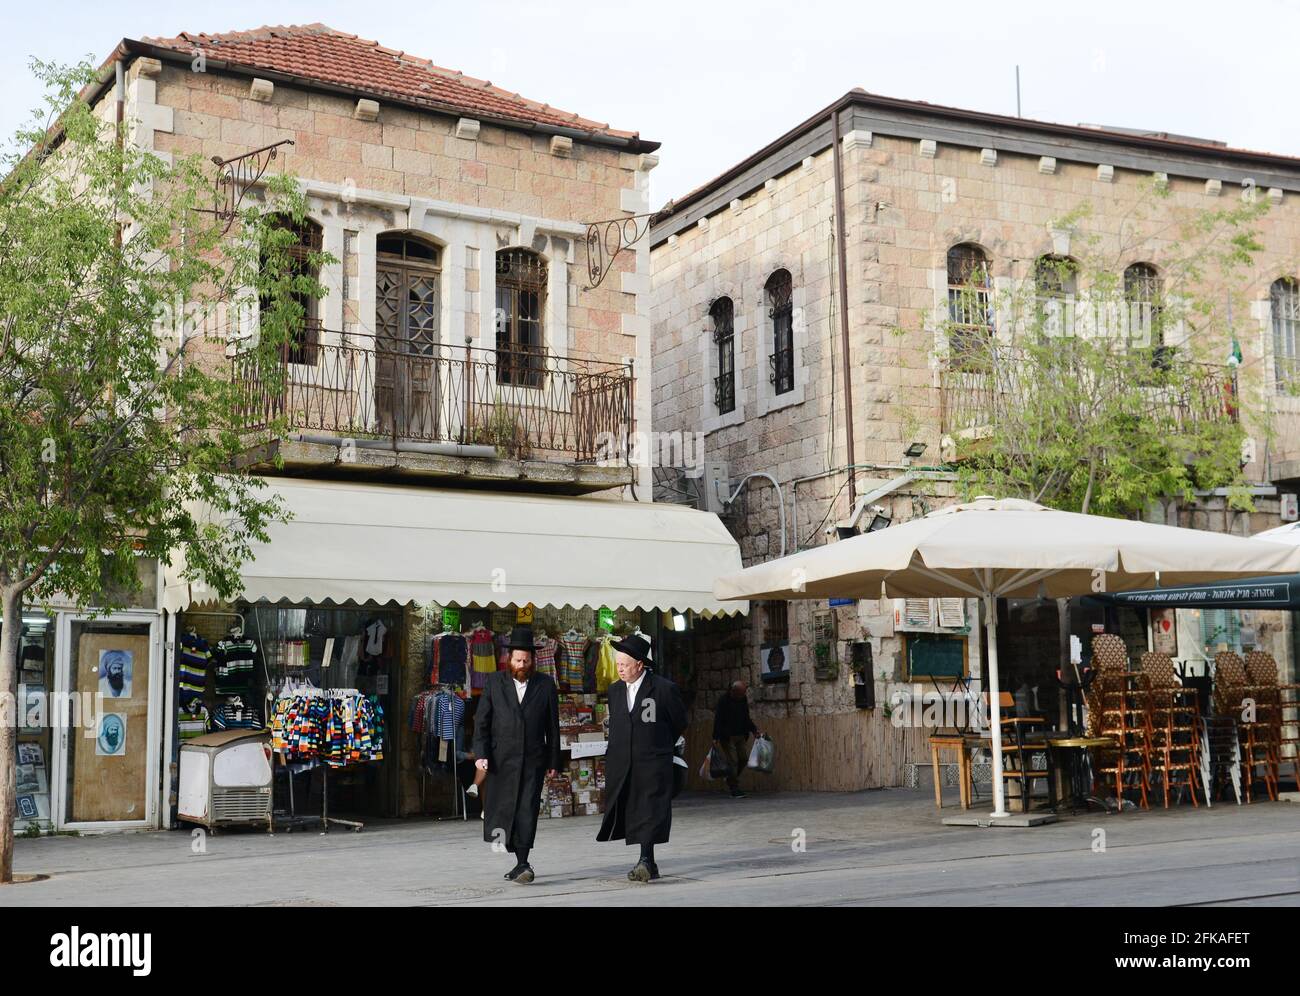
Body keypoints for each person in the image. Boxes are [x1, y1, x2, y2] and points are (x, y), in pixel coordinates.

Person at [473, 625, 560, 884]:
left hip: (533, 760)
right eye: (517, 660)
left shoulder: (545, 685)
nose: (522, 664)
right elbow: (482, 722)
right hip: (501, 760)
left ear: (533, 660)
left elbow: (552, 726)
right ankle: (517, 859)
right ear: (509, 659)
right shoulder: (494, 683)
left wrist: (554, 760)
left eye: (526, 660)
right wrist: (481, 753)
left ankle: (523, 863)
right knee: (501, 810)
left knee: (526, 809)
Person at [597, 633, 687, 883]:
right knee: (634, 809)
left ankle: (645, 860)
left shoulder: (663, 688)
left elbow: (680, 721)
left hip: (653, 762)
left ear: (639, 664)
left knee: (650, 809)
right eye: (617, 665)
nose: (620, 669)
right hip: (622, 762)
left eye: (624, 665)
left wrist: (658, 743)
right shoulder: (614, 691)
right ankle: (649, 862)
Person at [713, 680, 762, 798]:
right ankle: (734, 788)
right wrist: (715, 737)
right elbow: (718, 719)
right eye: (741, 693)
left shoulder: (742, 700)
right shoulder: (723, 701)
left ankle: (730, 778)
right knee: (733, 761)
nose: (743, 695)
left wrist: (754, 730)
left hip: (741, 734)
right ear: (734, 691)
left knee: (743, 759)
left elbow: (746, 717)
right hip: (728, 736)